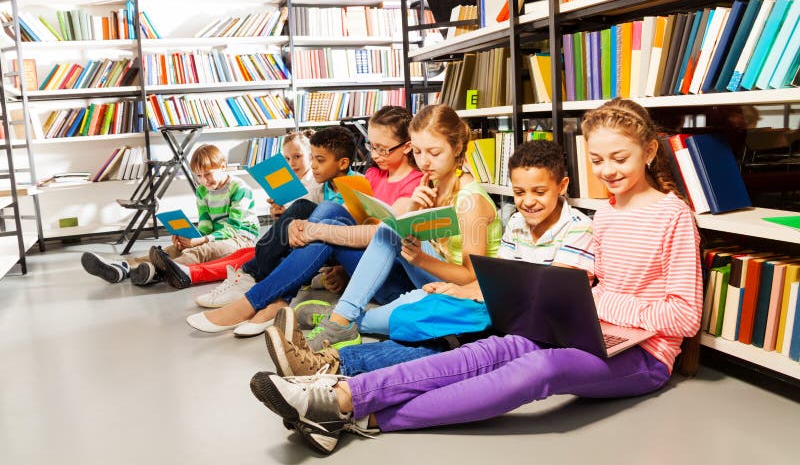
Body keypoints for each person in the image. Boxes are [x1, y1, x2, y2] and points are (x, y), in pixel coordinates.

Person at [249, 97, 704, 455]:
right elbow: (579, 276)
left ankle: (360, 417)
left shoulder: (673, 216)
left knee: (539, 367)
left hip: (643, 355)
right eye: (597, 160)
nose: (607, 172)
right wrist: (562, 293)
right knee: (490, 351)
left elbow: (684, 317)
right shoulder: (605, 213)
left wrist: (600, 301)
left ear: (648, 151)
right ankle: (341, 395)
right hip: (584, 329)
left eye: (619, 158)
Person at [265, 139, 595, 377]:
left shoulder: (578, 228)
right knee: (416, 314)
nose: (528, 202)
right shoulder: (519, 223)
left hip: (521, 322)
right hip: (493, 307)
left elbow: (548, 295)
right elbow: (497, 279)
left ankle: (335, 331)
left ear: (562, 185)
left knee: (415, 328)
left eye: (539, 192)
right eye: (520, 192)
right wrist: (461, 290)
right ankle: (336, 328)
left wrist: (466, 290)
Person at [278, 103, 503, 352]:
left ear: (457, 147)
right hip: (435, 280)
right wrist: (415, 206)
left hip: (467, 292)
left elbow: (472, 277)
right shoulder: (431, 185)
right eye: (417, 152)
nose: (424, 161)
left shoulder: (471, 202)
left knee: (402, 313)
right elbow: (413, 234)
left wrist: (420, 260)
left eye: (434, 152)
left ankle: (339, 317)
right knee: (390, 229)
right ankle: (342, 318)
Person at [185, 106, 423, 334]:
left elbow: (378, 236)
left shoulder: (416, 185)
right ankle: (275, 301)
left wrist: (314, 229)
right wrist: (298, 225)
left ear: (407, 147)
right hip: (363, 263)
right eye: (372, 146)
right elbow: (345, 214)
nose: (375, 155)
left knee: (323, 227)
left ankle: (255, 302)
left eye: (384, 149)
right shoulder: (373, 174)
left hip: (392, 279)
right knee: (326, 209)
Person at [152, 130, 320, 294]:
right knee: (178, 250)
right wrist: (278, 214)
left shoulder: (314, 182)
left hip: (243, 236)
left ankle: (171, 271)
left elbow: (307, 214)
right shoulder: (289, 183)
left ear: (311, 156)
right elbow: (283, 224)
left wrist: (201, 240)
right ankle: (141, 268)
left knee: (224, 255)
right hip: (278, 239)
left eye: (297, 157)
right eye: (287, 158)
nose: (291, 163)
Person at [80, 144, 259, 287]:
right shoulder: (203, 191)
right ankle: (124, 267)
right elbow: (205, 223)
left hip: (241, 239)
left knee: (200, 251)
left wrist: (201, 241)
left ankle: (157, 272)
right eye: (199, 176)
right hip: (214, 237)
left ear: (223, 167)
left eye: (208, 174)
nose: (204, 180)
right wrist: (191, 237)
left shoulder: (239, 189)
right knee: (172, 250)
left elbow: (234, 229)